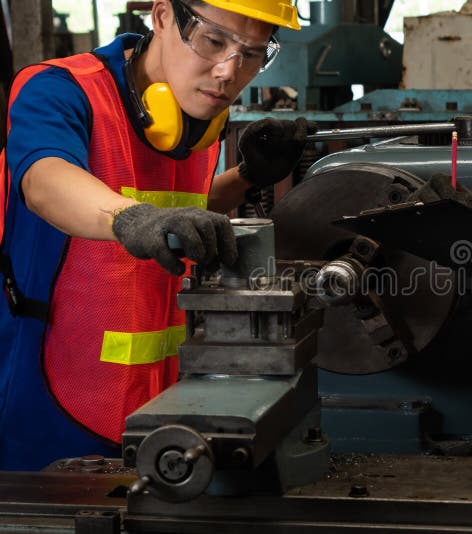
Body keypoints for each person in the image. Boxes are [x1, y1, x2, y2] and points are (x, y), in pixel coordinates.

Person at [0, 0, 316, 470]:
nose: (229, 72)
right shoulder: (60, 90)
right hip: (52, 399)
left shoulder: (200, 117)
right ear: (164, 16)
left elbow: (179, 217)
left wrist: (248, 176)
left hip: (163, 406)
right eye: (213, 41)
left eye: (252, 54)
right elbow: (46, 182)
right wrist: (132, 220)